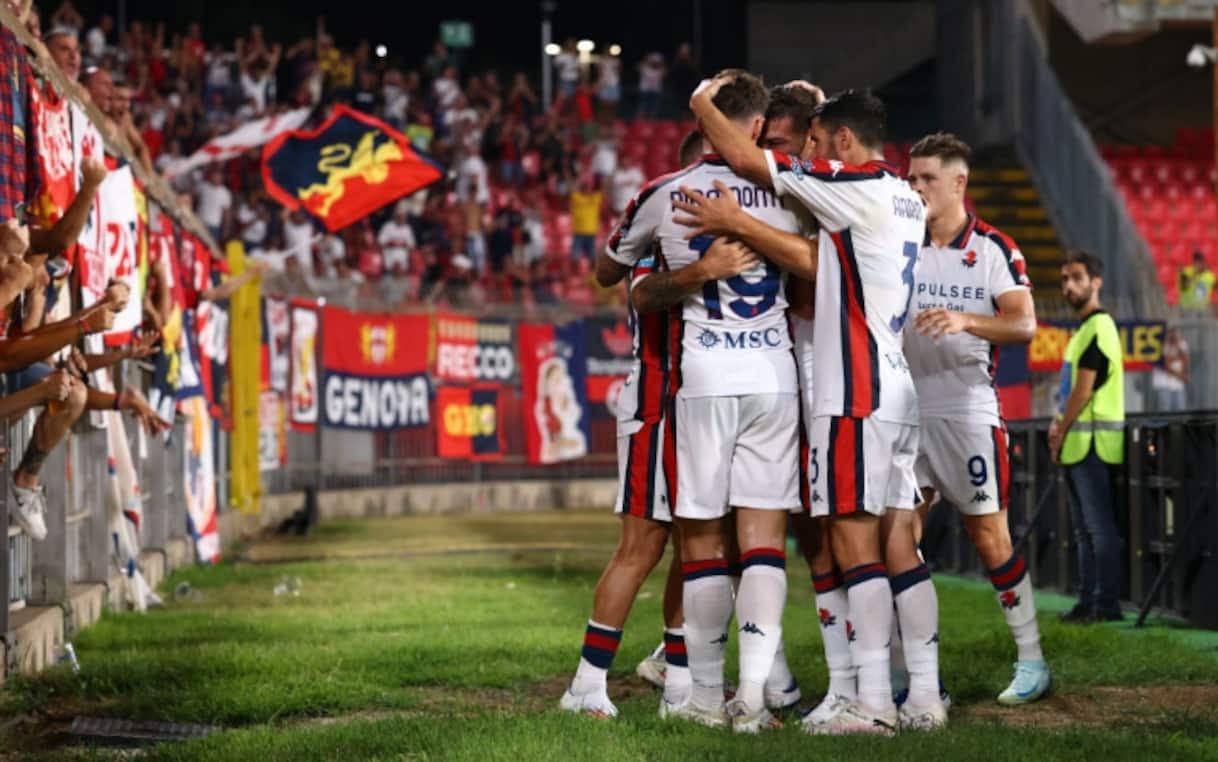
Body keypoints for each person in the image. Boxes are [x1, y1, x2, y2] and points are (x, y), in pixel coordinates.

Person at [677, 82, 924, 736]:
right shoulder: (905, 193)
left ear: (842, 141)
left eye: (817, 143)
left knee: (852, 540)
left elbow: (751, 163)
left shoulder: (851, 188)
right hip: (896, 380)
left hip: (856, 388)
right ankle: (892, 693)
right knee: (876, 538)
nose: (809, 156)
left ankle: (871, 702)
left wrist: (703, 103)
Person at [629, 70, 817, 733]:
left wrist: (687, 275)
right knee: (765, 541)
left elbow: (628, 285)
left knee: (703, 540)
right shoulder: (791, 189)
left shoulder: (665, 191)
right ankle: (755, 700)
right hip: (774, 374)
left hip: (704, 376)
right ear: (761, 127)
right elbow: (821, 266)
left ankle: (705, 698)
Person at [904, 133, 1050, 707]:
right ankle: (913, 671)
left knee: (989, 538)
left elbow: (1024, 325)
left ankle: (1033, 659)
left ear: (958, 183)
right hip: (903, 411)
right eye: (911, 179)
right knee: (898, 536)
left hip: (966, 410)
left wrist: (966, 320)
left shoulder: (993, 248)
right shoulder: (899, 242)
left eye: (926, 179)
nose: (915, 189)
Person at [1051, 250, 1126, 624]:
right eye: (1065, 279)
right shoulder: (1083, 331)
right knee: (1086, 532)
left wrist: (1059, 431)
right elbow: (1070, 394)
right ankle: (1089, 602)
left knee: (1097, 530)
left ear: (1095, 282)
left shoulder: (1099, 327)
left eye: (1076, 277)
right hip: (1080, 445)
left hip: (1093, 445)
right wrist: (1059, 427)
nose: (1069, 286)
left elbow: (1082, 391)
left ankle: (1105, 605)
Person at [1152, 326, 1189, 412]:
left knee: (1180, 410)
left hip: (1178, 385)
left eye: (1175, 334)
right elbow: (1165, 364)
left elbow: (1186, 359)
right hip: (1164, 384)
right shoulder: (1161, 345)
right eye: (1171, 334)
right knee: (1165, 411)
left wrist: (1177, 346)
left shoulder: (1182, 344)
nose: (1173, 336)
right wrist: (1180, 375)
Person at [568, 177, 602, 264]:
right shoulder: (577, 198)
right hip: (578, 233)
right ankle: (574, 277)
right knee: (574, 259)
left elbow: (604, 189)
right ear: (581, 188)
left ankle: (592, 277)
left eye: (588, 187)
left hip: (591, 234)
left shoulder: (595, 198)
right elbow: (571, 188)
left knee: (593, 259)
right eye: (585, 187)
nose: (587, 189)